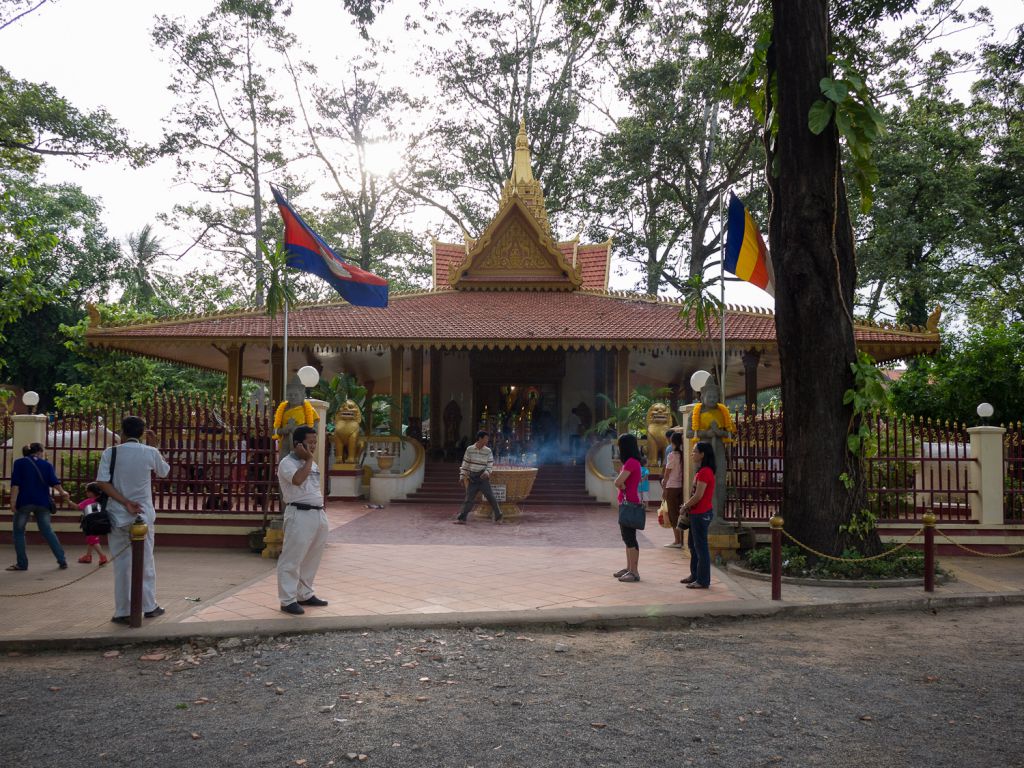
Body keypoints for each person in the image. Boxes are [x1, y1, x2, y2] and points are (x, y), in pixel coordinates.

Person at [96, 416, 170, 624]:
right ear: (142, 432)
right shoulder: (150, 452)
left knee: (121, 564)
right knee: (145, 561)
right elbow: (164, 472)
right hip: (142, 516)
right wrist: (155, 446)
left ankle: (122, 610)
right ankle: (148, 605)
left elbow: (102, 483)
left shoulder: (111, 453)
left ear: (122, 432)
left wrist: (125, 501)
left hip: (117, 514)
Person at [277, 425, 329, 615]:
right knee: (292, 558)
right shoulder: (287, 463)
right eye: (310, 443)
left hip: (317, 513)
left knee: (312, 557)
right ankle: (287, 599)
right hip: (299, 514)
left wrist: (309, 460)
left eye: (315, 442)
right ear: (298, 444)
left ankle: (304, 593)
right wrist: (308, 459)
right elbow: (298, 480)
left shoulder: (311, 463)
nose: (314, 446)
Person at [7, 443, 71, 572]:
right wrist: (63, 492)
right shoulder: (47, 465)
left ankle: (22, 564)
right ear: (40, 452)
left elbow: (15, 484)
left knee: (19, 532)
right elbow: (54, 482)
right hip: (43, 502)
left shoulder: (19, 463)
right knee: (47, 531)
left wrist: (13, 501)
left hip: (24, 502)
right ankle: (62, 560)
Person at [679, 441, 716, 589]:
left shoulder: (705, 472)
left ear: (702, 454)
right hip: (696, 512)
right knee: (693, 546)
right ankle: (695, 574)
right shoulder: (701, 471)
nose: (692, 453)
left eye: (695, 451)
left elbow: (698, 495)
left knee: (701, 548)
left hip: (701, 513)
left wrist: (685, 506)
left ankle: (703, 580)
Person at [612, 433, 645, 582]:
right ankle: (629, 567)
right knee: (627, 537)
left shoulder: (631, 462)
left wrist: (622, 485)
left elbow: (617, 482)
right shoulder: (632, 462)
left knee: (630, 538)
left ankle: (634, 571)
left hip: (629, 502)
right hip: (627, 502)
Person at [454, 431, 503, 524]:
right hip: (472, 478)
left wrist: (487, 472)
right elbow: (465, 463)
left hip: (483, 478)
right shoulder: (470, 449)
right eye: (486, 438)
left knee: (491, 497)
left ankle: (498, 517)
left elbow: (490, 464)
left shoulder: (488, 450)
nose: (487, 440)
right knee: (468, 499)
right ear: (480, 438)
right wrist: (462, 476)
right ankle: (462, 518)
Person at [661, 431, 686, 549]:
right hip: (680, 486)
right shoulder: (682, 455)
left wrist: (664, 487)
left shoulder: (672, 455)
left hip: (671, 486)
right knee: (679, 512)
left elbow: (667, 474)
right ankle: (680, 539)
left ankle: (677, 540)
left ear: (672, 442)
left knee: (673, 514)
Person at [76, 482, 109, 565]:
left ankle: (102, 556)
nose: (86, 493)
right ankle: (88, 556)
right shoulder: (101, 500)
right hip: (98, 523)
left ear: (92, 492)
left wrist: (67, 500)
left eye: (87, 491)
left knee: (92, 540)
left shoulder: (88, 501)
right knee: (91, 540)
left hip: (90, 524)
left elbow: (77, 507)